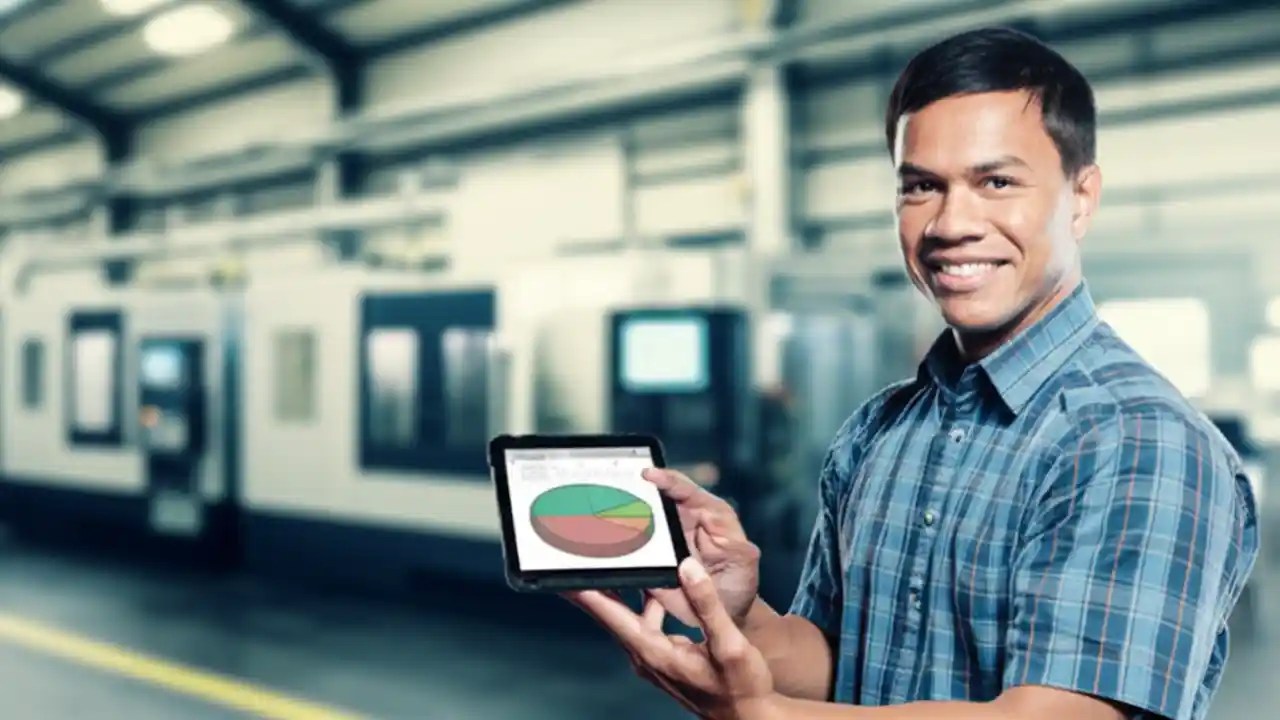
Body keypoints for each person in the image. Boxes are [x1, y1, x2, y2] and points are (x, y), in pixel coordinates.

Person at [565, 26, 1259, 720]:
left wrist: (761, 715)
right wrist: (743, 617)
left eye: (997, 182)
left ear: (1081, 198)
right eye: (922, 187)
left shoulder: (1138, 440)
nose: (952, 222)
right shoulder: (877, 430)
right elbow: (842, 661)